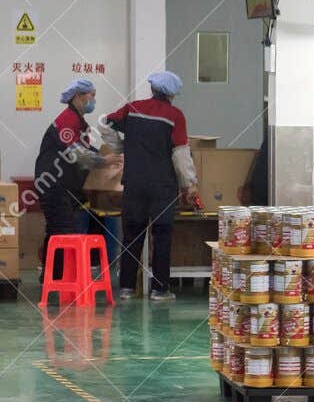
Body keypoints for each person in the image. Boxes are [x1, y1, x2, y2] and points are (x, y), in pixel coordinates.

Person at [105, 70, 199, 301]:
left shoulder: (132, 108)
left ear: (153, 88)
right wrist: (190, 184)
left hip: (134, 183)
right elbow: (180, 154)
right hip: (162, 186)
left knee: (132, 235)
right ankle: (160, 289)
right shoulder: (175, 116)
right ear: (172, 94)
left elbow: (107, 124)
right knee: (162, 235)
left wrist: (119, 148)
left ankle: (127, 288)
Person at [34, 78, 112, 281]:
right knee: (64, 233)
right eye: (91, 95)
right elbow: (77, 153)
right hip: (54, 185)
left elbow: (85, 148)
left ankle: (52, 278)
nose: (94, 100)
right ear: (78, 96)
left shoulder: (78, 121)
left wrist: (105, 157)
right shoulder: (67, 119)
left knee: (56, 232)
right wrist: (104, 160)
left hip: (62, 187)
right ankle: (61, 280)